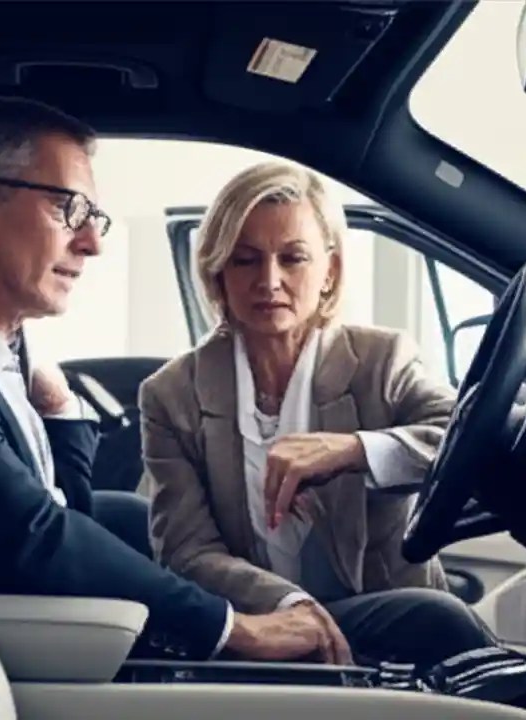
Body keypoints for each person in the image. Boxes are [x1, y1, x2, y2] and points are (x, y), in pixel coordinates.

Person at [0, 96, 345, 662]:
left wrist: (60, 416)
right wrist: (237, 630)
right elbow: (35, 538)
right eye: (68, 209)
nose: (92, 243)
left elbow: (59, 511)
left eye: (93, 219)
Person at [139, 160, 499, 667]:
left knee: (437, 617)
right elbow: (186, 552)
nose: (270, 280)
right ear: (217, 271)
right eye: (245, 260)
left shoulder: (382, 360)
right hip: (264, 625)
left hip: (385, 613)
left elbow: (468, 438)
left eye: (293, 258)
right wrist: (289, 606)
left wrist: (355, 449)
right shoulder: (171, 395)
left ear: (329, 270)